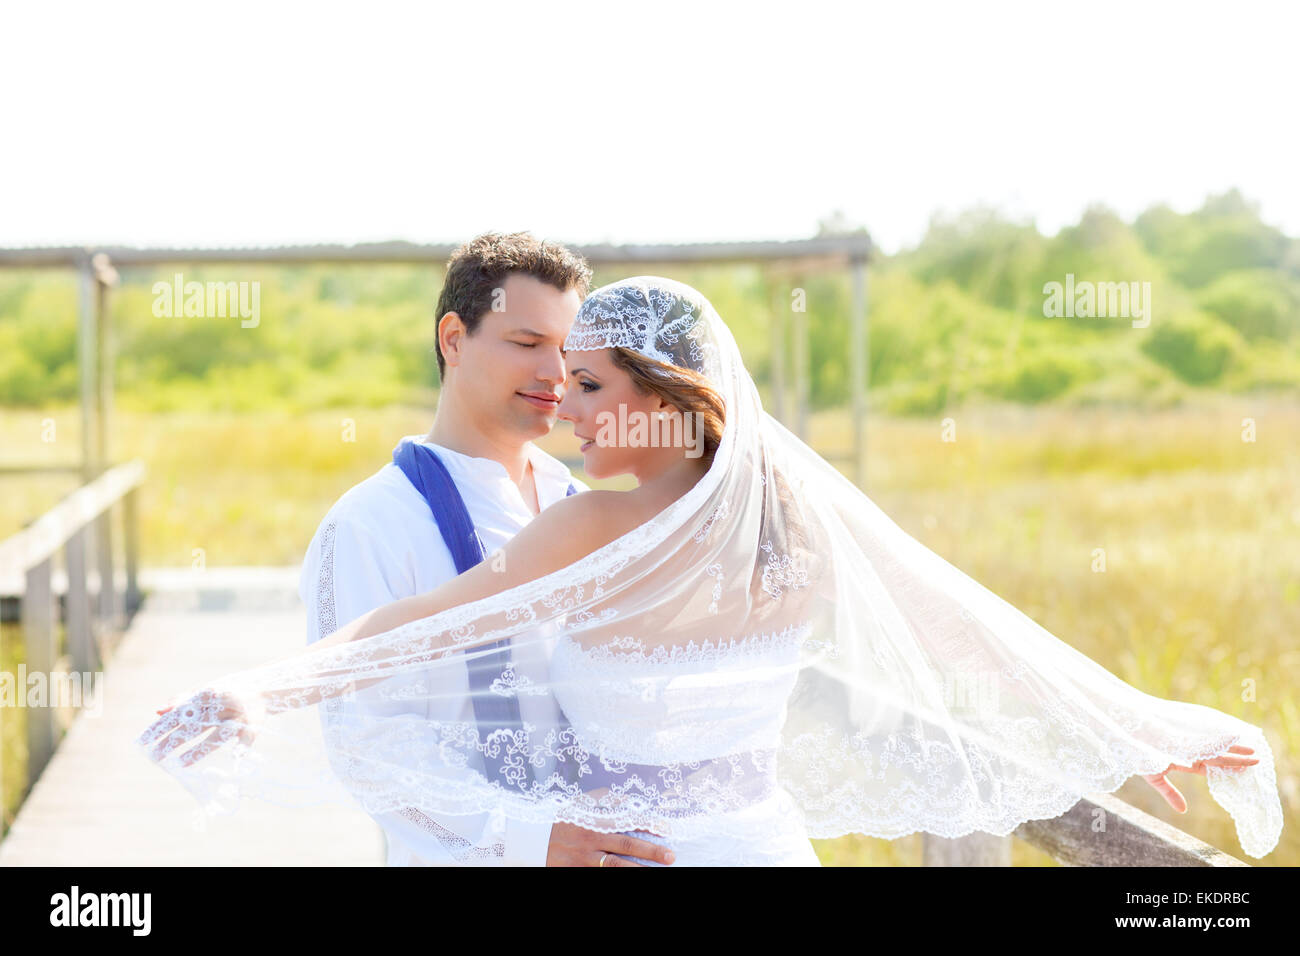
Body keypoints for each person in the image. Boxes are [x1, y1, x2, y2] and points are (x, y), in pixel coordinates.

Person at [137, 276, 1283, 865]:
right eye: (559, 378)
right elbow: (973, 636)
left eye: (590, 386)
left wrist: (255, 688)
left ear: (666, 397)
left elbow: (407, 623)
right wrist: (1143, 726)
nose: (561, 408)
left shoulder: (594, 526)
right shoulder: (790, 517)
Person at [296, 232, 674, 867]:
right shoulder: (368, 525)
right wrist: (528, 840)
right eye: (527, 344)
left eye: (567, 350)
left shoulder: (580, 506)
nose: (555, 375)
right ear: (453, 340)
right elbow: (365, 743)